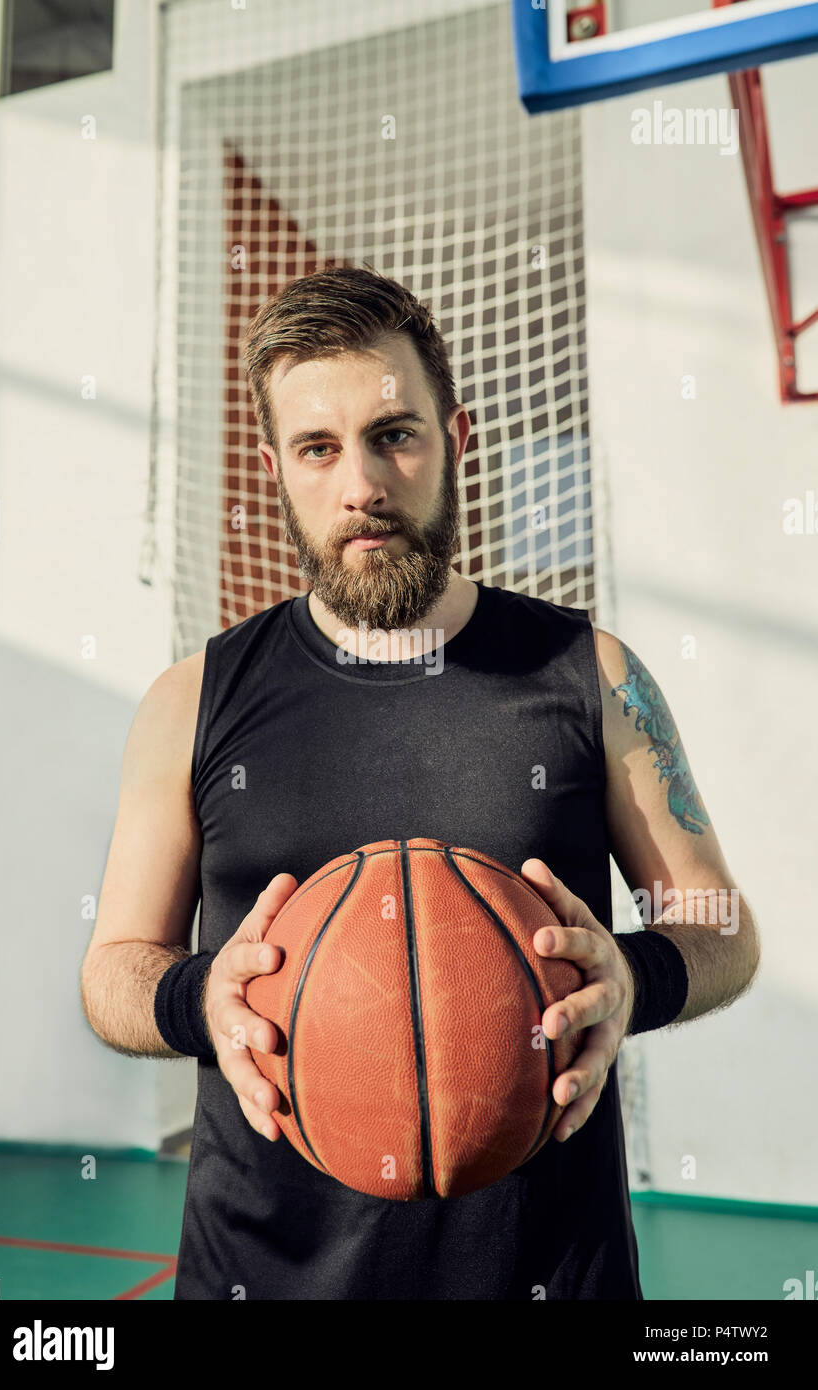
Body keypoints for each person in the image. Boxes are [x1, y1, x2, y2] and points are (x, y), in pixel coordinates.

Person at [81, 265, 760, 1300]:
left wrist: (634, 977)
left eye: (394, 434)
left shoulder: (593, 675)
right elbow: (112, 970)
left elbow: (721, 926)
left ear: (457, 439)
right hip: (262, 1275)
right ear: (277, 470)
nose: (362, 483)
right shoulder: (193, 701)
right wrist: (194, 994)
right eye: (318, 448)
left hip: (547, 1274)